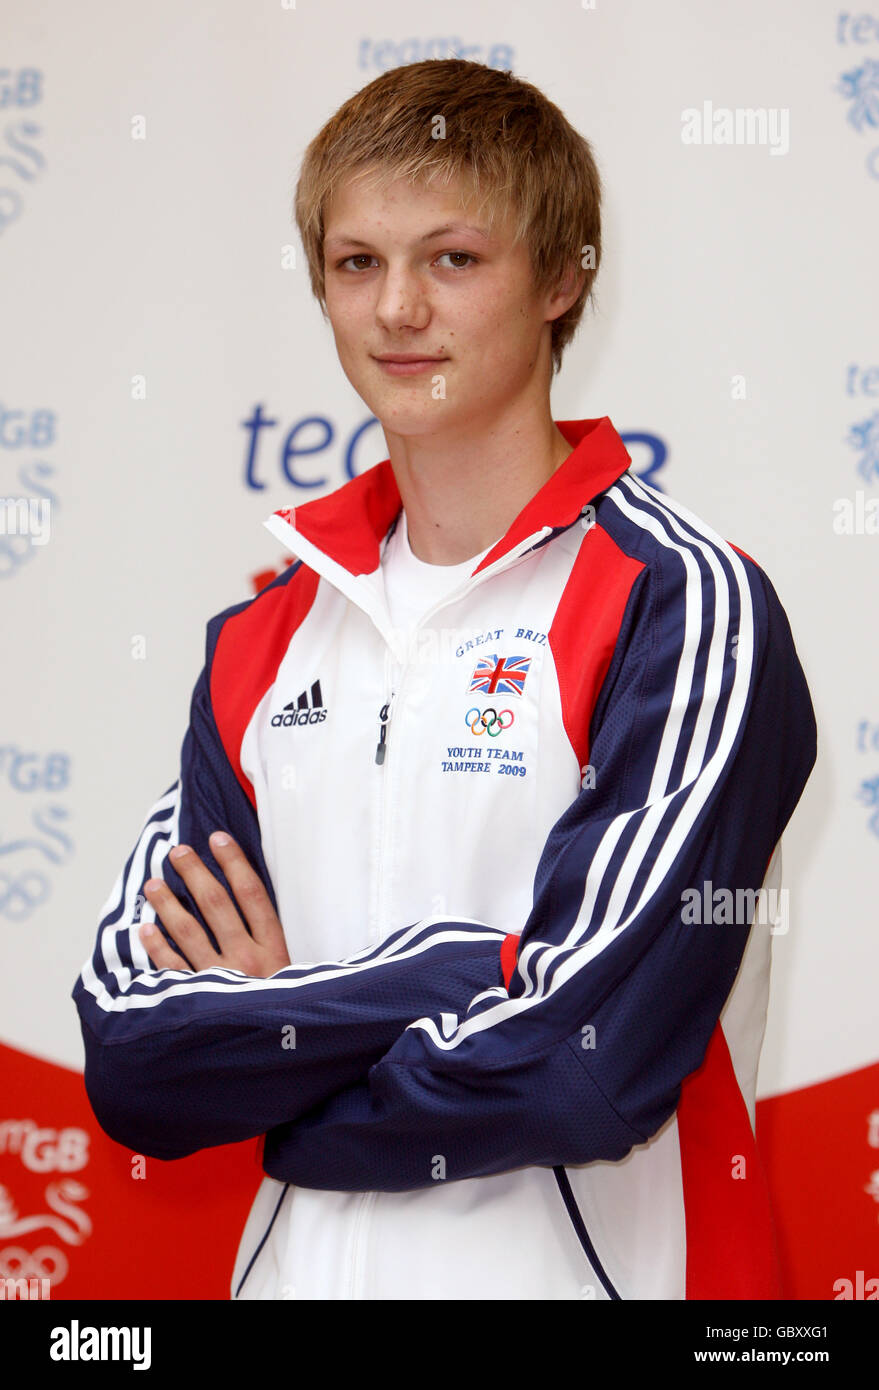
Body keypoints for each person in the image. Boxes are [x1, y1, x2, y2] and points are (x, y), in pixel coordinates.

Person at [73, 58, 817, 1300]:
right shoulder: (261, 637)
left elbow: (586, 1067)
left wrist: (283, 1052)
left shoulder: (683, 602)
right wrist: (481, 966)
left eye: (453, 259)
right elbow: (139, 1063)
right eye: (358, 263)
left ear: (564, 278)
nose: (397, 310)